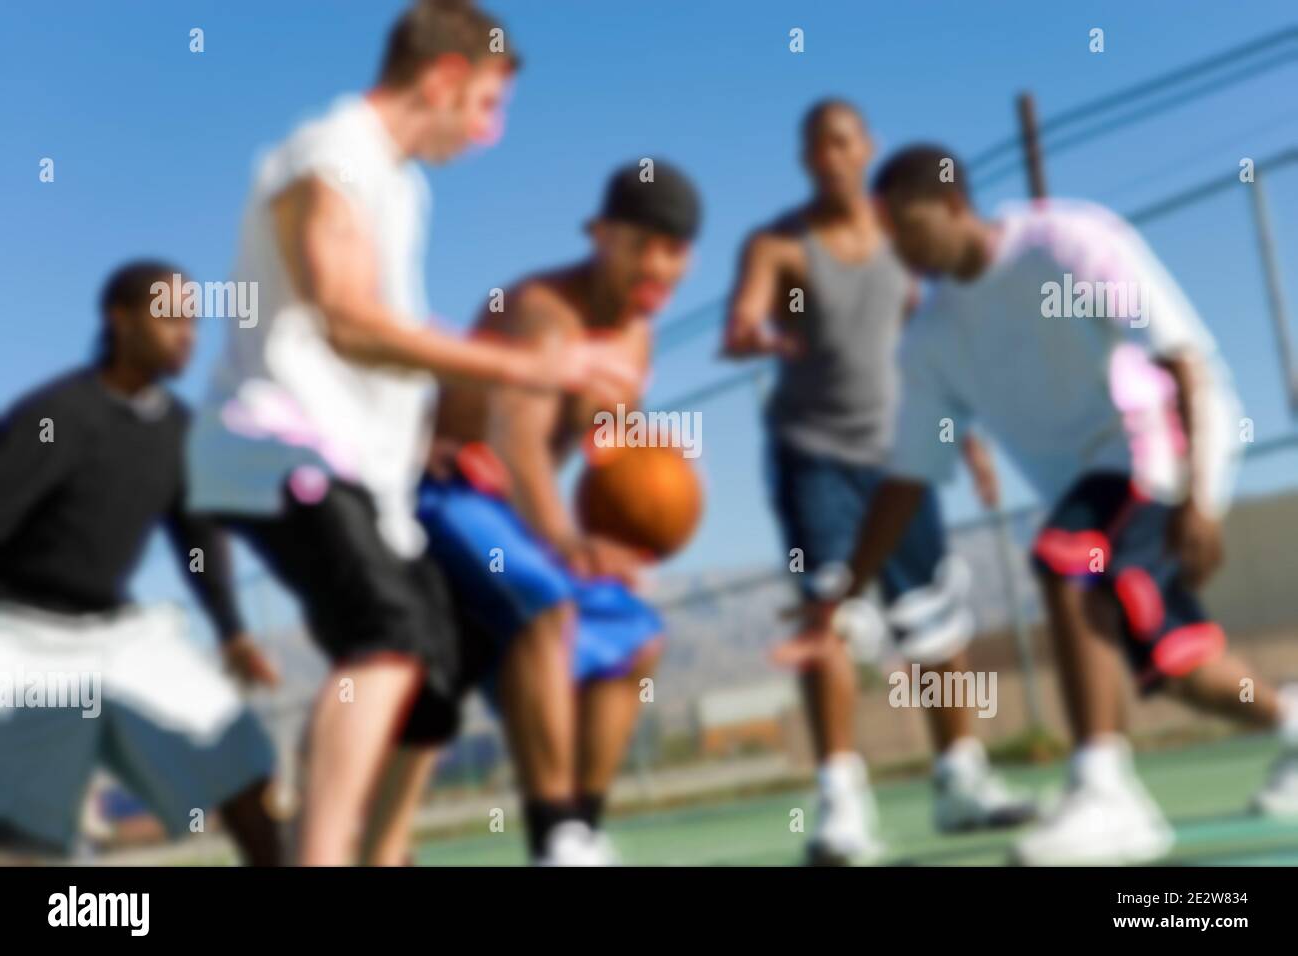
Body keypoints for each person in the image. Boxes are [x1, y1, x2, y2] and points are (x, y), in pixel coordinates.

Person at [186, 0, 634, 865]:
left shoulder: (399, 184)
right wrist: (528, 368)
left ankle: (379, 853)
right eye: (488, 106)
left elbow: (390, 342)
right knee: (386, 639)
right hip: (279, 448)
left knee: (440, 664)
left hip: (361, 470)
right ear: (444, 78)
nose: (490, 132)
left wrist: (450, 418)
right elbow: (346, 319)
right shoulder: (331, 153)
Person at [788, 143, 1298, 865]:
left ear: (952, 204)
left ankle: (1109, 796)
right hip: (1092, 489)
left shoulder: (1065, 241)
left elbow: (1180, 356)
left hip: (1157, 447)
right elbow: (905, 480)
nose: (894, 246)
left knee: (1066, 556)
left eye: (903, 224)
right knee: (1175, 660)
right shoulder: (932, 337)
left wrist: (1202, 499)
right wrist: (844, 591)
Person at [361, 161, 701, 866]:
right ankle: (552, 838)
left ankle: (581, 826)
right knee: (543, 606)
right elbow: (517, 441)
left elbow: (610, 455)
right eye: (644, 243)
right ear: (600, 235)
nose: (660, 264)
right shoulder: (543, 313)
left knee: (638, 637)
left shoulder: (636, 341)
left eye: (676, 249)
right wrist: (566, 542)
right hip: (447, 494)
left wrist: (619, 540)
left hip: (514, 516)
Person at [723, 102, 1032, 865]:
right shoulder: (778, 244)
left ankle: (961, 782)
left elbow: (928, 346)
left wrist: (971, 440)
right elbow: (740, 326)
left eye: (840, 141)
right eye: (813, 146)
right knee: (828, 610)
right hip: (814, 454)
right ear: (804, 159)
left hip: (903, 452)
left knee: (935, 622)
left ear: (867, 148)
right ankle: (841, 807)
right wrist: (767, 333)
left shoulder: (901, 242)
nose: (827, 156)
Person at [0, 261, 280, 865]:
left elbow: (197, 541)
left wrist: (231, 632)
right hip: (19, 636)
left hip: (119, 632)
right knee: (24, 835)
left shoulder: (181, 431)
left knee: (245, 769)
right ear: (120, 320)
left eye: (194, 321)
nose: (188, 334)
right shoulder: (52, 417)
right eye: (171, 316)